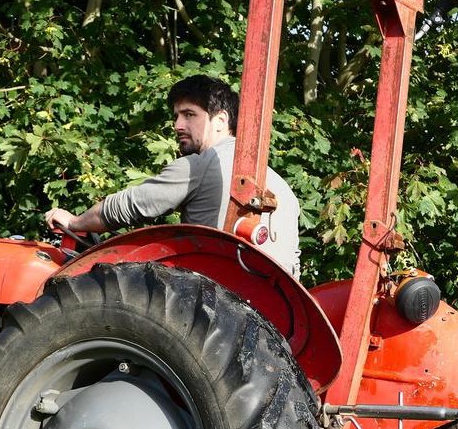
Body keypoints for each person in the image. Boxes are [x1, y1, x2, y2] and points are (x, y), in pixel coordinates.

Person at [44, 75, 300, 277]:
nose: (178, 125)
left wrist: (75, 222)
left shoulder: (202, 165)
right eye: (176, 116)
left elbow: (129, 206)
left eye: (189, 115)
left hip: (213, 300)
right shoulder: (283, 188)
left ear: (220, 120)